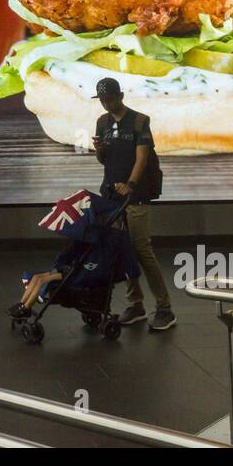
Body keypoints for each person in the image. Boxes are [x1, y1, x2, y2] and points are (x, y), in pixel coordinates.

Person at [92, 77, 177, 332]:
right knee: (121, 249)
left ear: (121, 96)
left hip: (135, 196)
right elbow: (103, 160)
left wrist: (130, 184)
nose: (107, 104)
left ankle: (165, 308)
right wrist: (100, 149)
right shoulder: (102, 122)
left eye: (111, 99)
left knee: (142, 250)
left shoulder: (140, 121)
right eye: (103, 100)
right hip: (110, 196)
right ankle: (135, 304)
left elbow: (142, 157)